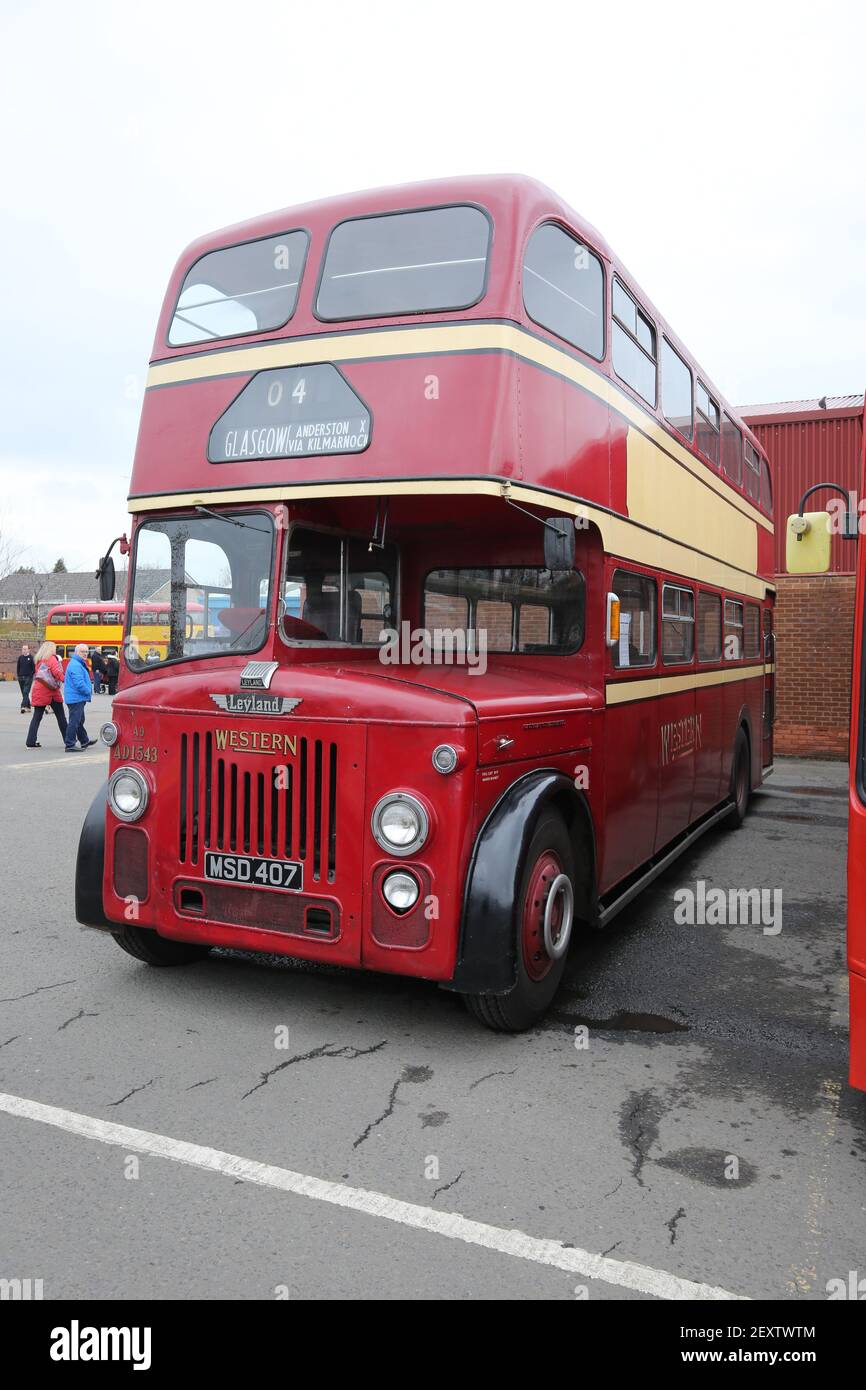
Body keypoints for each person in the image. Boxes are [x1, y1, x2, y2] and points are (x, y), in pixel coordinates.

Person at [26, 641, 69, 748]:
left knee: (37, 717)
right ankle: (68, 740)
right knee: (61, 717)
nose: (55, 650)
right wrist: (66, 680)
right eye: (54, 648)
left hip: (38, 689)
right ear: (51, 649)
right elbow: (57, 672)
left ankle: (30, 741)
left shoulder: (38, 660)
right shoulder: (52, 658)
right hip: (51, 691)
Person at [63, 643, 97, 752]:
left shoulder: (78, 663)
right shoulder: (76, 665)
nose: (85, 654)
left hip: (77, 698)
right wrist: (88, 692)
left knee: (79, 720)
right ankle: (70, 744)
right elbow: (79, 683)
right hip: (76, 698)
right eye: (83, 652)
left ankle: (84, 740)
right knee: (74, 721)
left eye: (87, 652)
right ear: (77, 652)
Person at [16, 644, 35, 712]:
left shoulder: (31, 658)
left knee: (25, 692)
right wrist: (18, 675)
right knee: (24, 693)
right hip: (21, 678)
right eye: (23, 649)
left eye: (25, 649)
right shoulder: (20, 657)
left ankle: (23, 706)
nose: (24, 650)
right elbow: (18, 667)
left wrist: (30, 676)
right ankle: (29, 706)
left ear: (28, 650)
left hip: (28, 678)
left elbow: (33, 669)